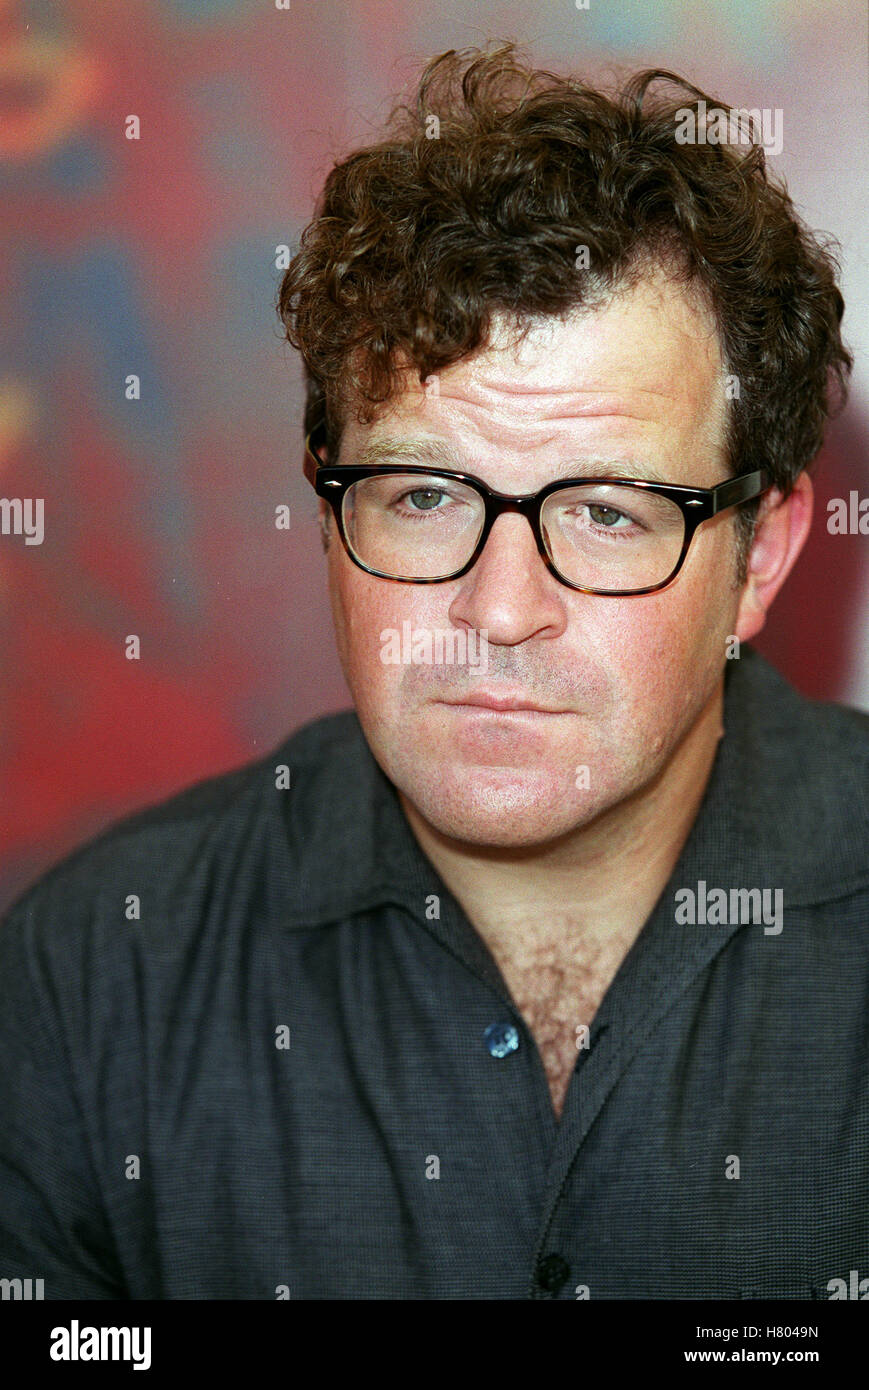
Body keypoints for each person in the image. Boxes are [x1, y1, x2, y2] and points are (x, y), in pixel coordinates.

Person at [1, 42, 866, 1302]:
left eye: (607, 513)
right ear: (323, 507)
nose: (497, 610)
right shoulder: (88, 982)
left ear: (759, 556)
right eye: (420, 495)